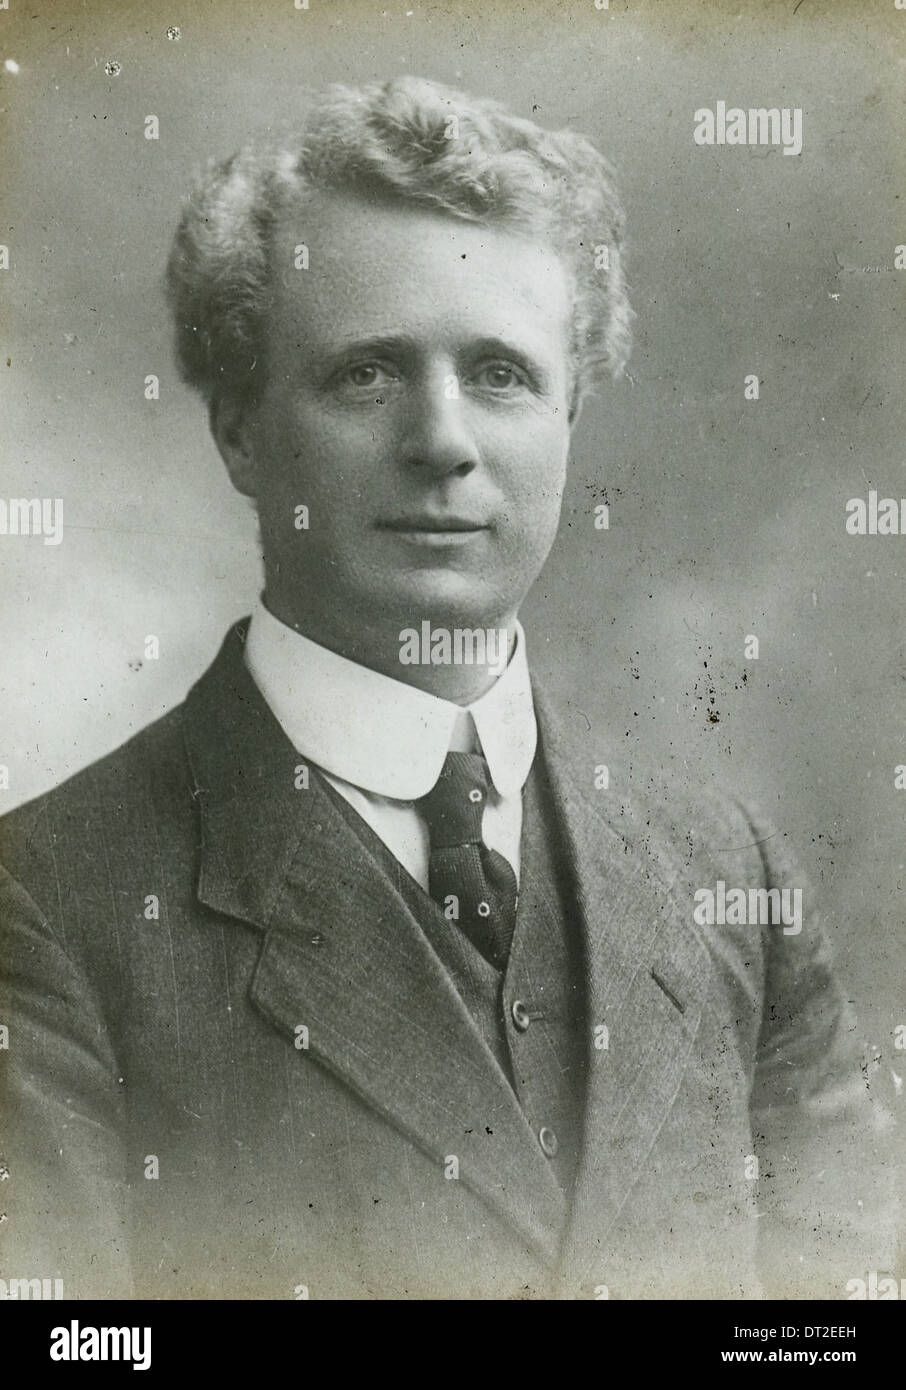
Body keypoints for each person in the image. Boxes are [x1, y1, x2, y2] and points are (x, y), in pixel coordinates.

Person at [0, 76, 894, 1300]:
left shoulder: (731, 879)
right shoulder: (47, 906)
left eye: (501, 374)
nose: (445, 441)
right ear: (242, 433)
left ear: (571, 412)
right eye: (367, 374)